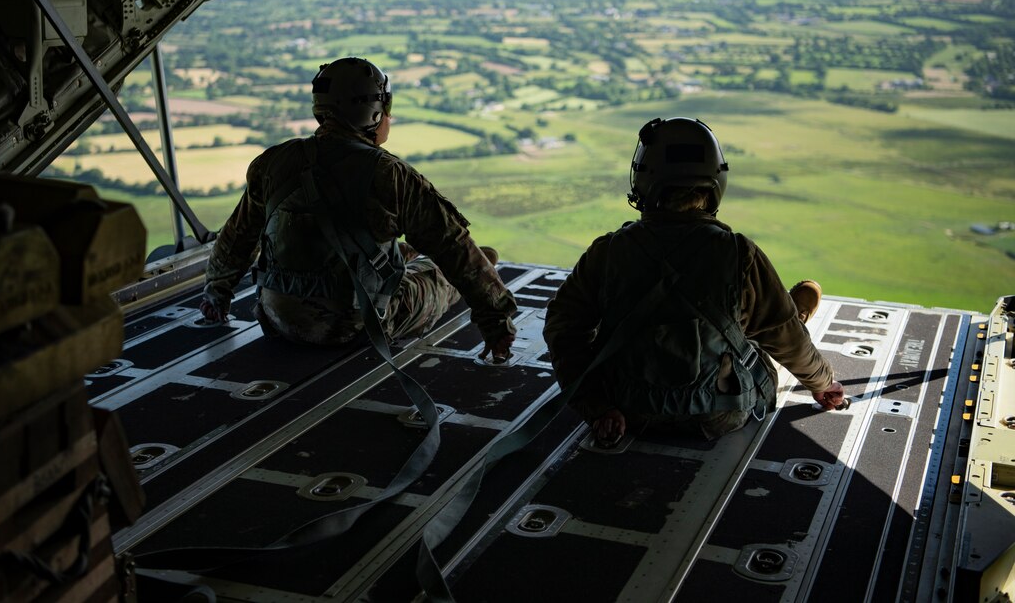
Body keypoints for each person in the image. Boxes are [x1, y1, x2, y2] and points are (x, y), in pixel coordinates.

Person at [543, 116, 844, 444]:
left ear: (642, 179)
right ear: (716, 180)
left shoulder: (609, 252)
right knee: (760, 338)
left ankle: (783, 312)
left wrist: (597, 407)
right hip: (721, 414)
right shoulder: (738, 253)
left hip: (628, 411)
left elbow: (563, 328)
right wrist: (824, 384)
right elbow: (790, 343)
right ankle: (790, 312)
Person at [199, 56, 517, 361]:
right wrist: (496, 319)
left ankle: (398, 259)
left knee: (393, 251)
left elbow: (236, 239)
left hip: (279, 319)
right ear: (374, 114)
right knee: (472, 261)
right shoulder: (391, 176)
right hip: (355, 325)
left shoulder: (273, 161)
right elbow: (454, 248)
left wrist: (217, 294)